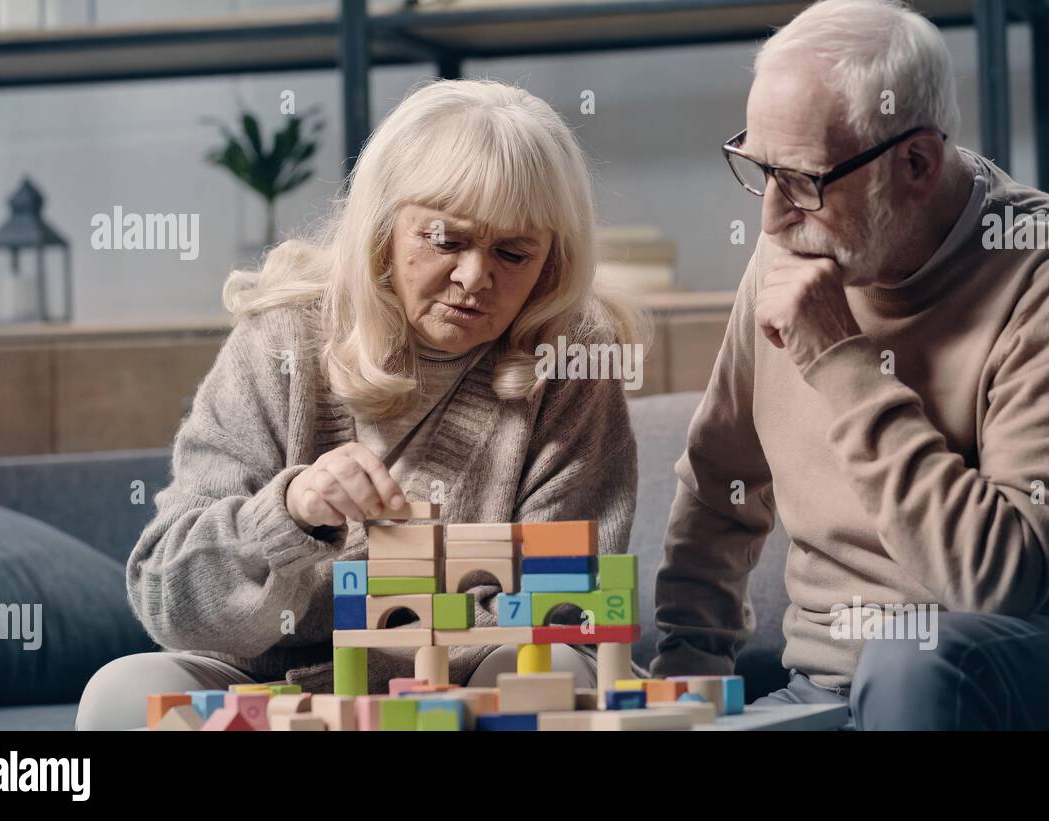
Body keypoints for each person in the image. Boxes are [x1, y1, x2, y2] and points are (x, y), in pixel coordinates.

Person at [650, 0, 1049, 730]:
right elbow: (721, 491)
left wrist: (840, 360)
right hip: (827, 687)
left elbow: (995, 578)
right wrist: (685, 692)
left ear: (916, 163)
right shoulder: (792, 244)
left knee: (918, 663)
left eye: (805, 182)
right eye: (759, 171)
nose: (772, 220)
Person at [76, 79, 647, 730]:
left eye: (513, 253)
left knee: (553, 677)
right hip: (267, 682)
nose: (474, 279)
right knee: (119, 692)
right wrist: (287, 514)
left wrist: (378, 659)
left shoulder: (569, 359)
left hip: (460, 678)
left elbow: (563, 609)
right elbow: (167, 592)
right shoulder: (281, 338)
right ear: (383, 227)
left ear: (551, 261)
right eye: (445, 240)